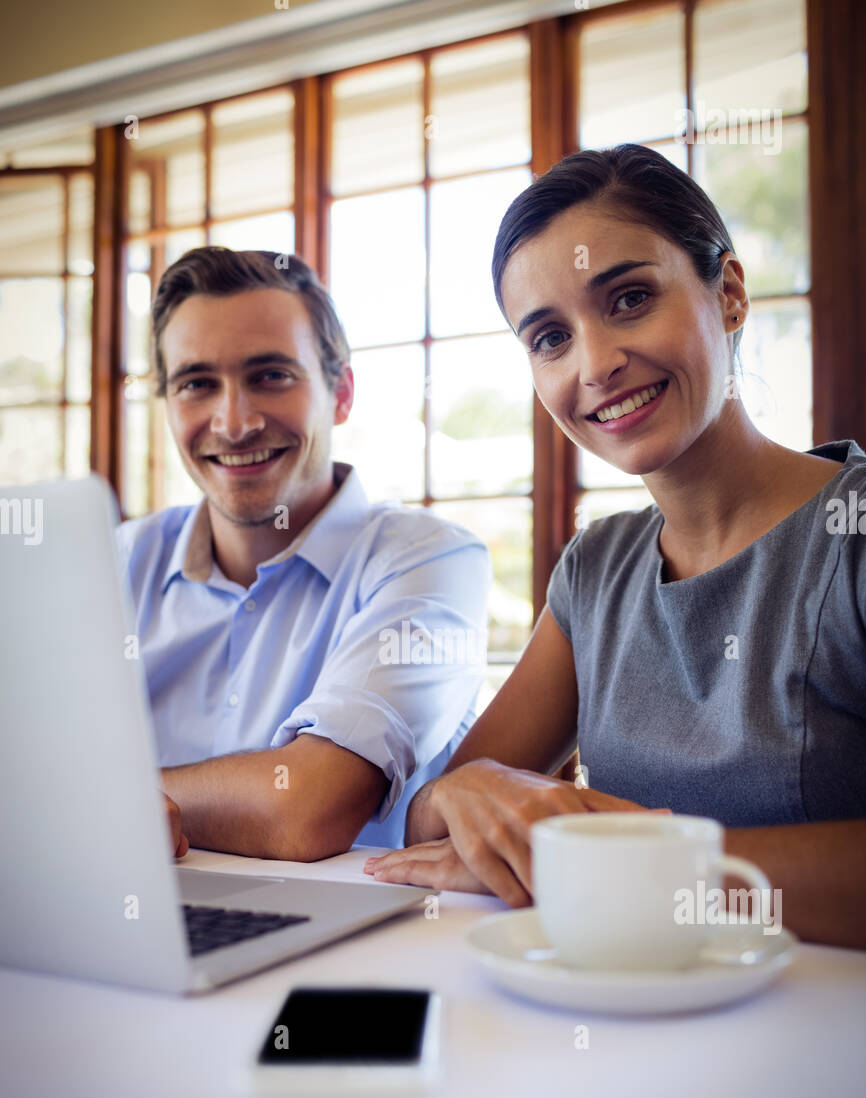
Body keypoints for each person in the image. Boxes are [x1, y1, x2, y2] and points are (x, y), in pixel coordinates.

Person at [364, 144, 866, 950]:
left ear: (729, 294)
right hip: (614, 1011)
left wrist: (632, 865)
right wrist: (478, 789)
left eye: (630, 299)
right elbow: (436, 810)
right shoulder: (596, 571)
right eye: (550, 338)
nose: (595, 363)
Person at [118, 247, 490, 861]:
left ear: (340, 393)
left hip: (352, 946)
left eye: (270, 376)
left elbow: (305, 811)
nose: (233, 422)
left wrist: (107, 799)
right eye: (197, 384)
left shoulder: (429, 561)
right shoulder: (118, 560)